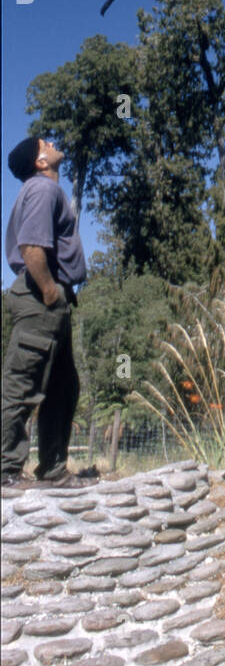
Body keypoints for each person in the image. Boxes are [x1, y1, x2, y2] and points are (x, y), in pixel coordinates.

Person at [2, 135, 90, 488]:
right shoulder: (43, 190)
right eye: (46, 142)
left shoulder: (42, 191)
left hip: (50, 300)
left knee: (62, 387)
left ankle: (52, 469)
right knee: (22, 385)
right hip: (42, 297)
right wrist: (51, 292)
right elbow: (31, 247)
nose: (53, 142)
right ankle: (6, 471)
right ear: (40, 161)